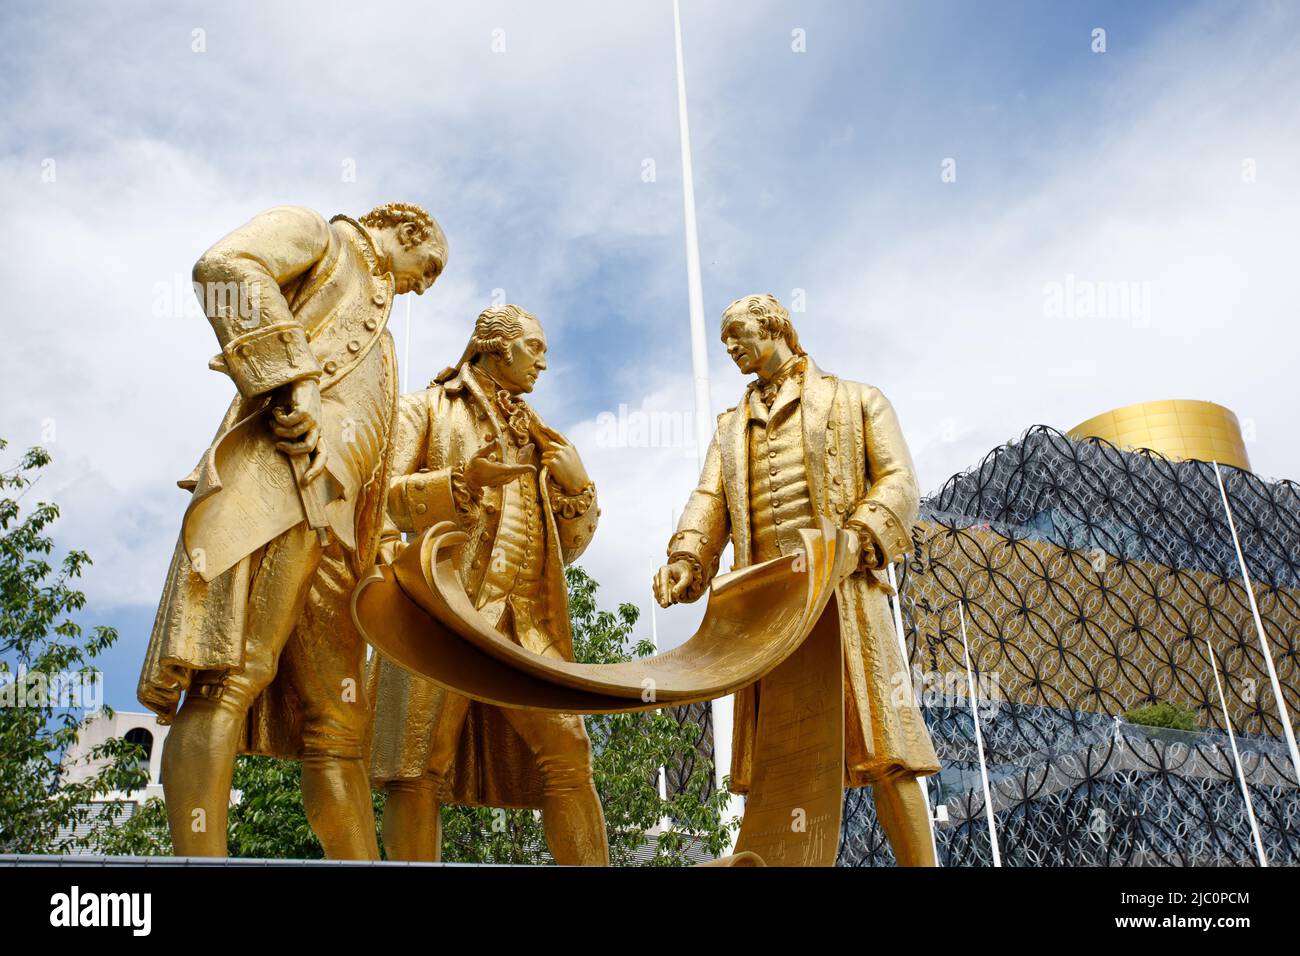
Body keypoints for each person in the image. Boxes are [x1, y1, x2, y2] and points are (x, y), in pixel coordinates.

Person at [137, 202, 447, 859]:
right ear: (408, 229)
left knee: (340, 727)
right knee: (229, 675)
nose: (426, 283)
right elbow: (223, 267)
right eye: (430, 266)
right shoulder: (318, 235)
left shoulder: (387, 344)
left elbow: (378, 476)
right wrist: (290, 378)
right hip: (278, 489)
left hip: (340, 539)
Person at [653, 293, 941, 866]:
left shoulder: (856, 400)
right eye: (724, 341)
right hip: (768, 608)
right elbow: (710, 497)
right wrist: (689, 555)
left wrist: (858, 538)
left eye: (738, 334)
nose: (730, 348)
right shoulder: (731, 427)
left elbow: (899, 481)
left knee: (890, 748)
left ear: (776, 327)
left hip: (844, 594)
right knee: (785, 763)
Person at [367, 304, 609, 865]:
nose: (544, 364)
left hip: (525, 620)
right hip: (440, 611)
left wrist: (577, 488)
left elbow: (566, 549)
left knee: (570, 754)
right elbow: (376, 498)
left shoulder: (541, 437)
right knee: (417, 764)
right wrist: (454, 485)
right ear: (492, 346)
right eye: (535, 348)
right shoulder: (425, 409)